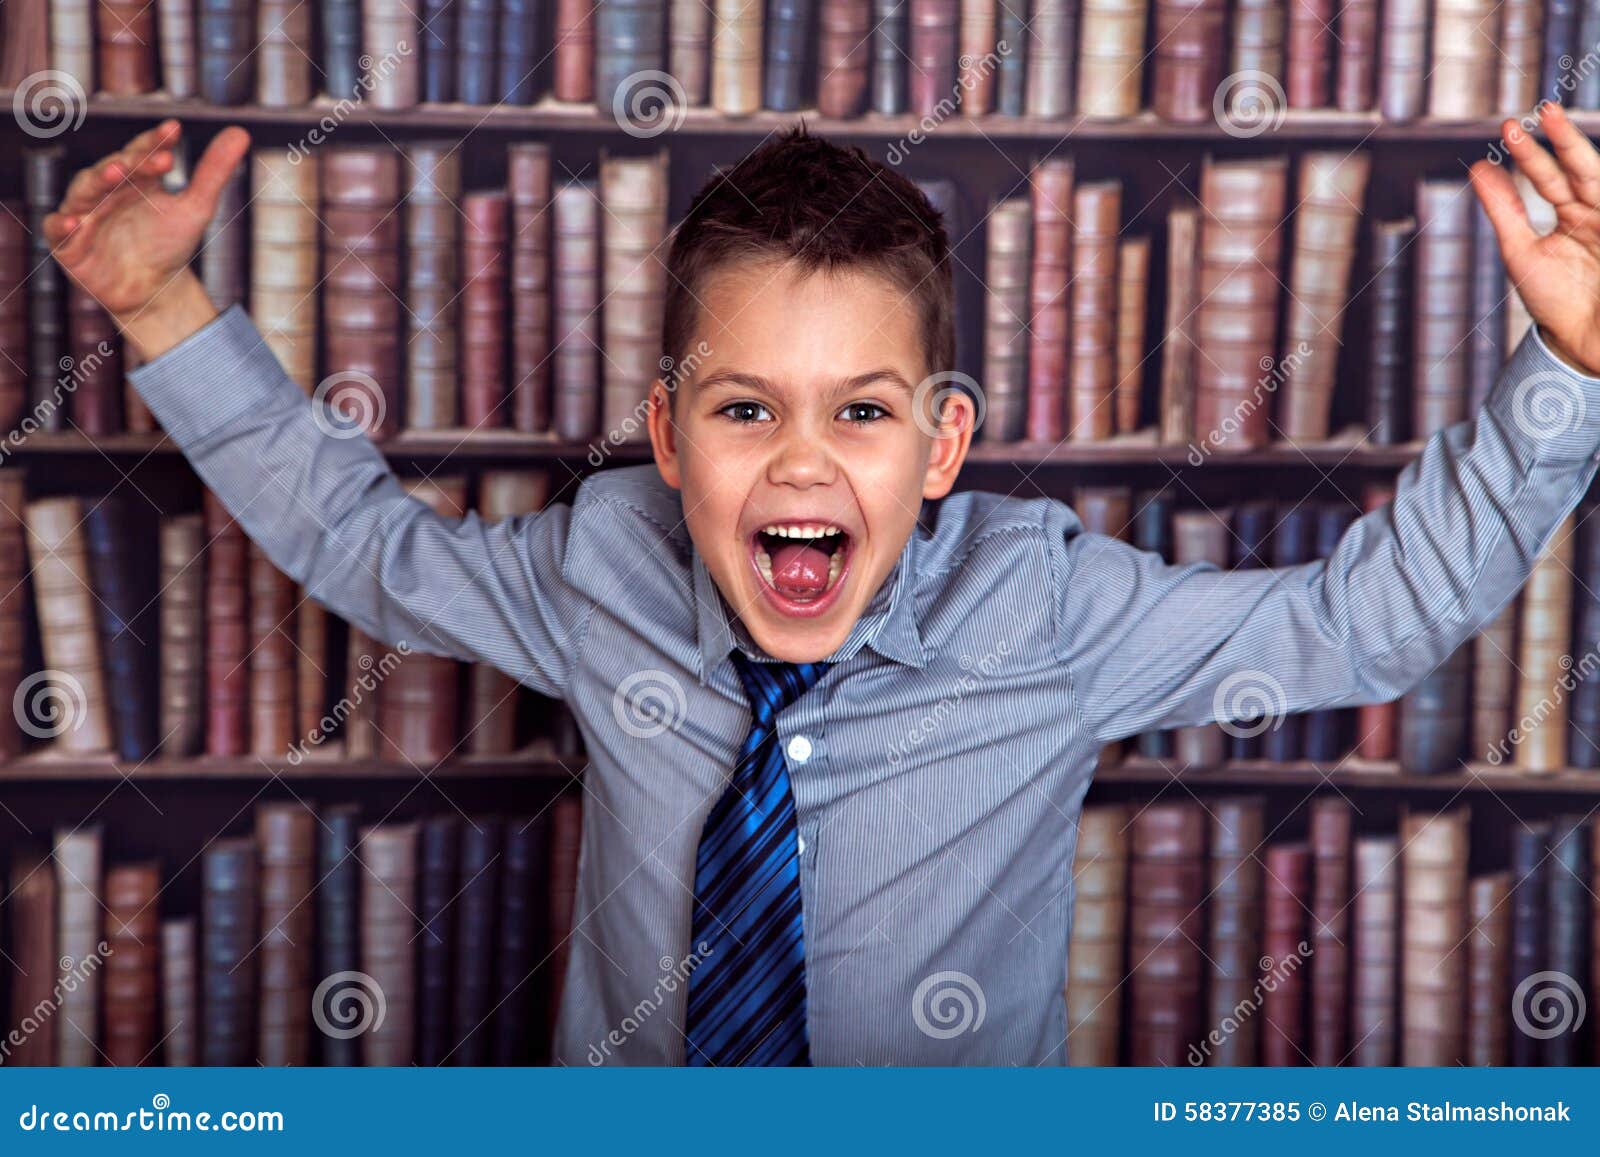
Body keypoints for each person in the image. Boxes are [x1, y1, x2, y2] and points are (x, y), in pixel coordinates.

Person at [42, 106, 1600, 1065]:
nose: (801, 464)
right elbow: (374, 555)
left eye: (860, 411)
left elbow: (1360, 621)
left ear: (941, 446)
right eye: (744, 410)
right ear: (668, 435)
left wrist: (1571, 371)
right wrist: (168, 308)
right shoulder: (603, 567)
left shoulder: (1044, 611)